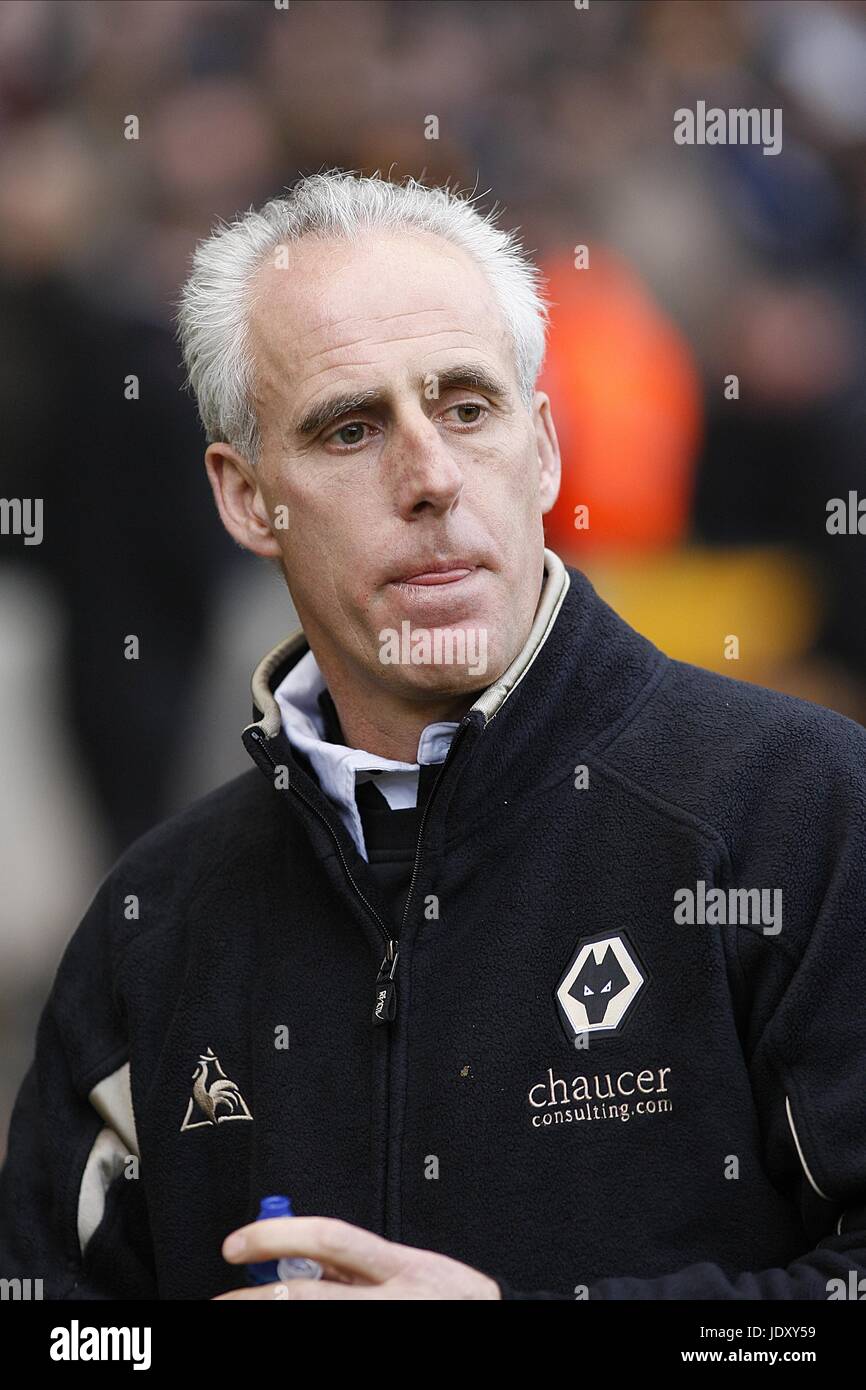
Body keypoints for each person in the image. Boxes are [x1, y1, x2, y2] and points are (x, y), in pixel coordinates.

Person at [1, 170, 864, 1301]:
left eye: (466, 406)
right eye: (350, 429)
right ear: (247, 497)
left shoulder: (803, 813)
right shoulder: (150, 923)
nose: (431, 477)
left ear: (543, 449)